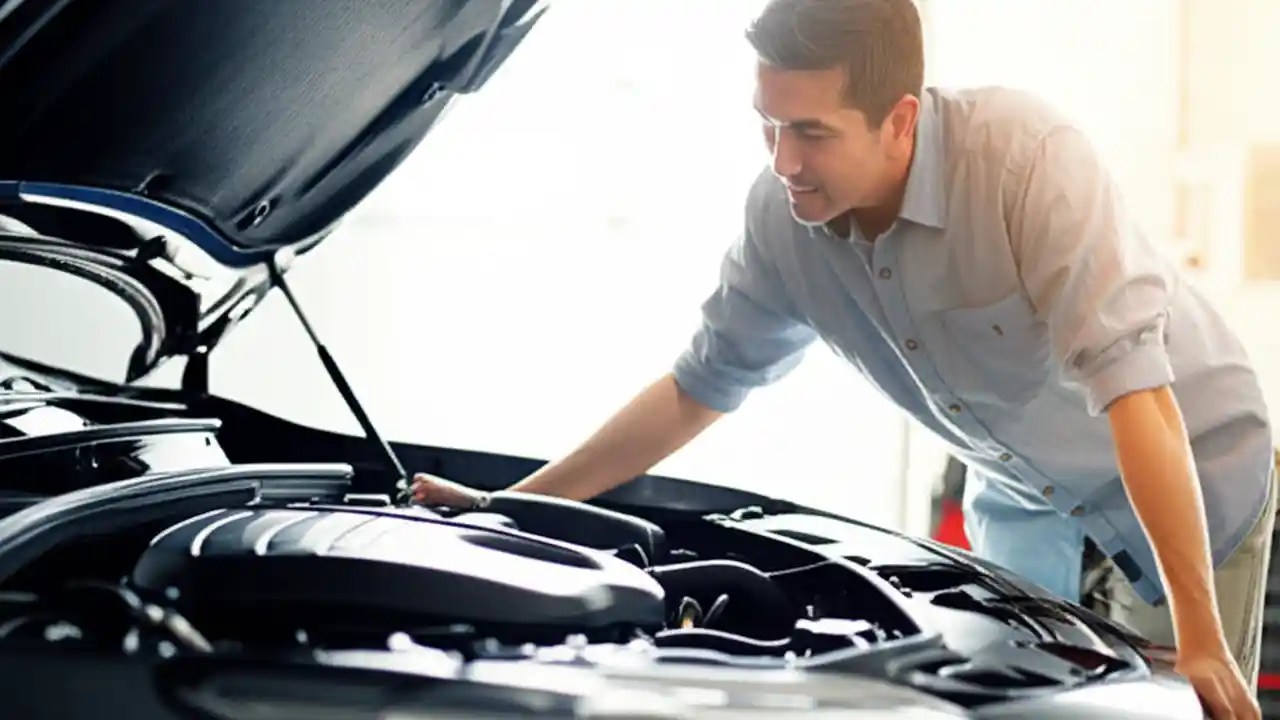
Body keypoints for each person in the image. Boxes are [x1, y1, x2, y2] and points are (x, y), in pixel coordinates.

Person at [412, 0, 1274, 716]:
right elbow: (693, 390)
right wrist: (506, 509)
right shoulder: (782, 221)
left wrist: (1202, 640)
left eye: (811, 133)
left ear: (899, 119)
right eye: (768, 126)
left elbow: (1135, 394)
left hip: (1184, 480)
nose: (784, 161)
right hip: (1024, 510)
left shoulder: (1025, 162)